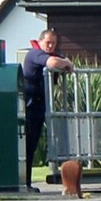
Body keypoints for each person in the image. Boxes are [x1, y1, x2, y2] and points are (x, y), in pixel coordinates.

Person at [21, 29, 73, 192]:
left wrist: (64, 62)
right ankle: (24, 184)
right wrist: (67, 63)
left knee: (32, 145)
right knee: (27, 146)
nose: (50, 46)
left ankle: (26, 183)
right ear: (40, 41)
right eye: (48, 42)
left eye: (54, 43)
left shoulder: (51, 54)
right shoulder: (35, 54)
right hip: (29, 108)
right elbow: (52, 63)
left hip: (39, 107)